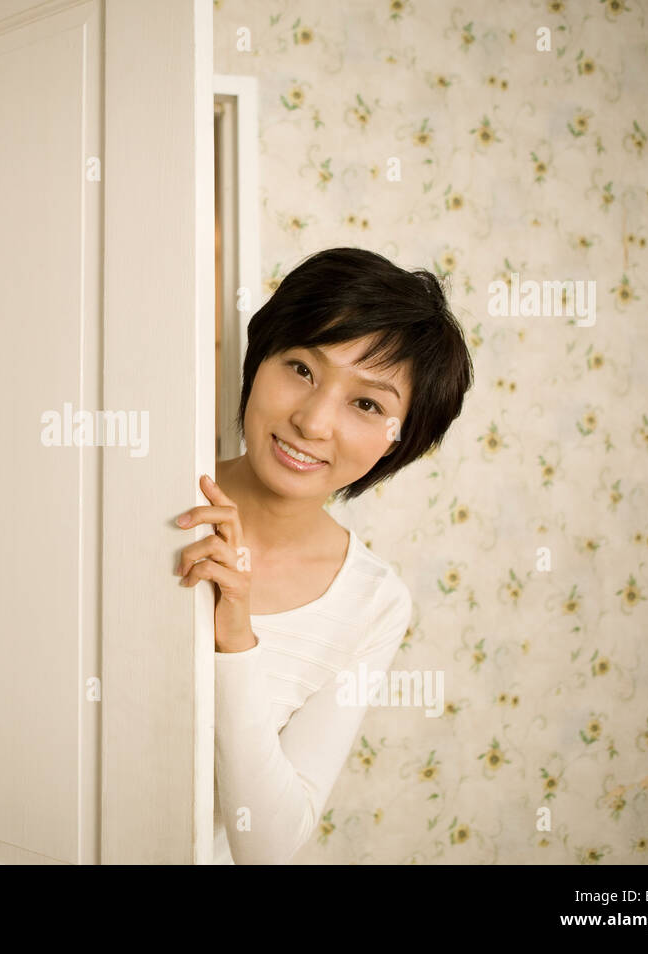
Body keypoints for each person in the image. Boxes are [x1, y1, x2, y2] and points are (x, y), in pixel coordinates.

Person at [174, 246, 474, 864]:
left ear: (399, 442)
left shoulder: (371, 603)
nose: (312, 421)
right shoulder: (147, 492)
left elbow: (268, 848)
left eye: (367, 404)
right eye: (301, 369)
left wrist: (237, 636)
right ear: (258, 362)